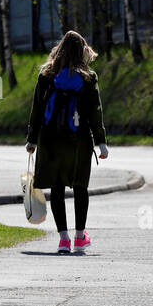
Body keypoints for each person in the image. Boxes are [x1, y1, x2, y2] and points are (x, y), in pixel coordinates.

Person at [25, 30, 108, 254]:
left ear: (59, 49)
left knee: (58, 189)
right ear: (82, 51)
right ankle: (80, 236)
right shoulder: (88, 77)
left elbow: (37, 109)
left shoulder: (46, 75)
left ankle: (63, 239)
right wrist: (101, 142)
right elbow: (95, 112)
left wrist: (31, 140)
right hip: (79, 141)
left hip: (50, 140)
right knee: (80, 187)